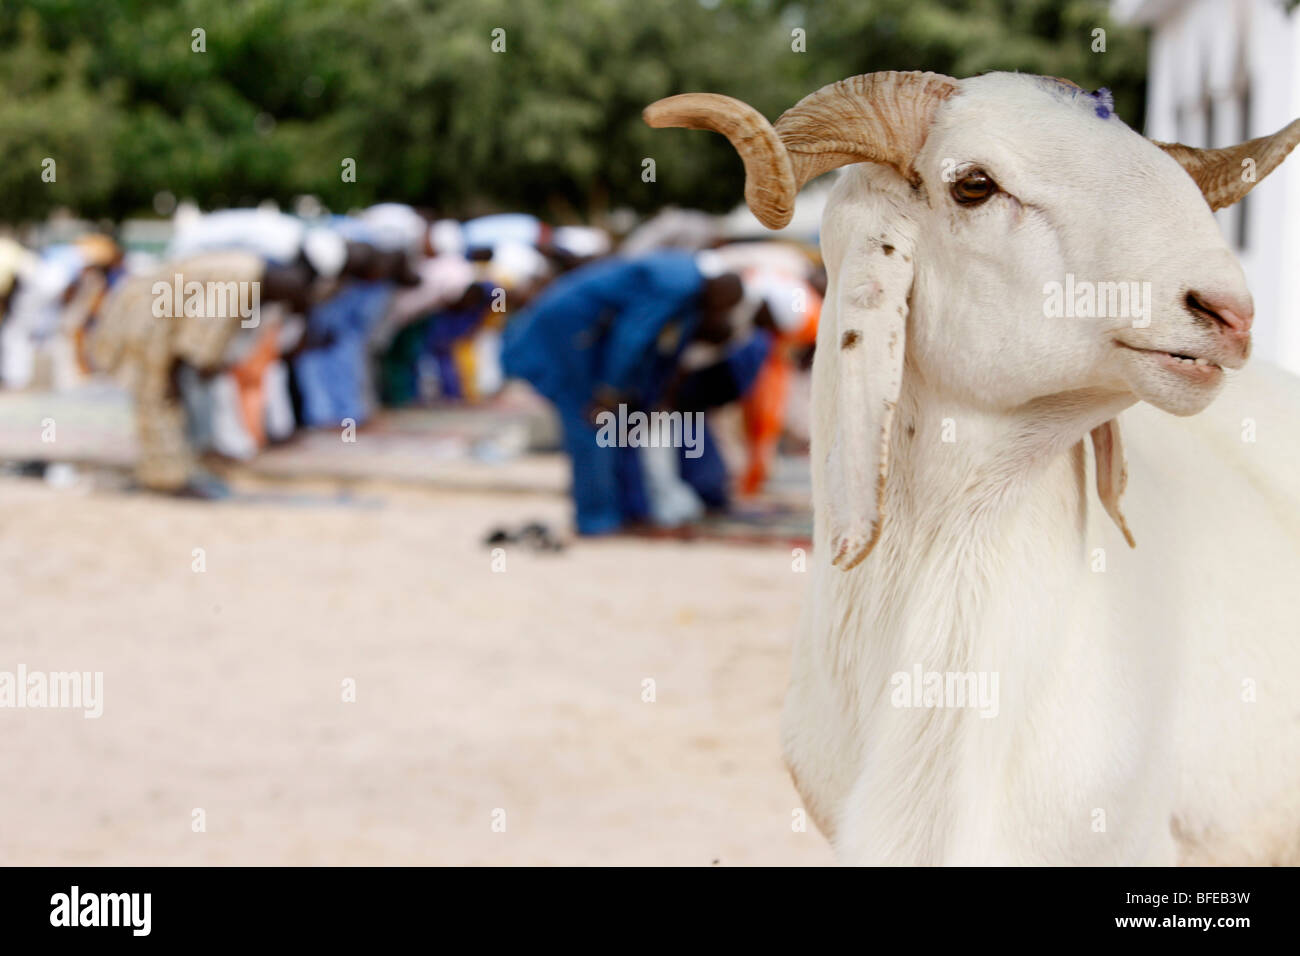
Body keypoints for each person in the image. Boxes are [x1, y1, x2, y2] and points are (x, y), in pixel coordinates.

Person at [501, 250, 742, 535]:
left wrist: (642, 398)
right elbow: (633, 336)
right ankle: (597, 520)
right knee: (591, 418)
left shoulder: (690, 294)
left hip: (593, 337)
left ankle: (627, 510)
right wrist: (610, 392)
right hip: (572, 333)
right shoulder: (679, 284)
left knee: (623, 421)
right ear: (715, 290)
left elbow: (658, 352)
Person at [89, 251, 313, 496]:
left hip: (155, 316)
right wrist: (178, 377)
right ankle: (167, 480)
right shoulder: (240, 280)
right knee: (158, 398)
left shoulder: (248, 271)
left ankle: (172, 474)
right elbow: (194, 348)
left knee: (167, 399)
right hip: (149, 318)